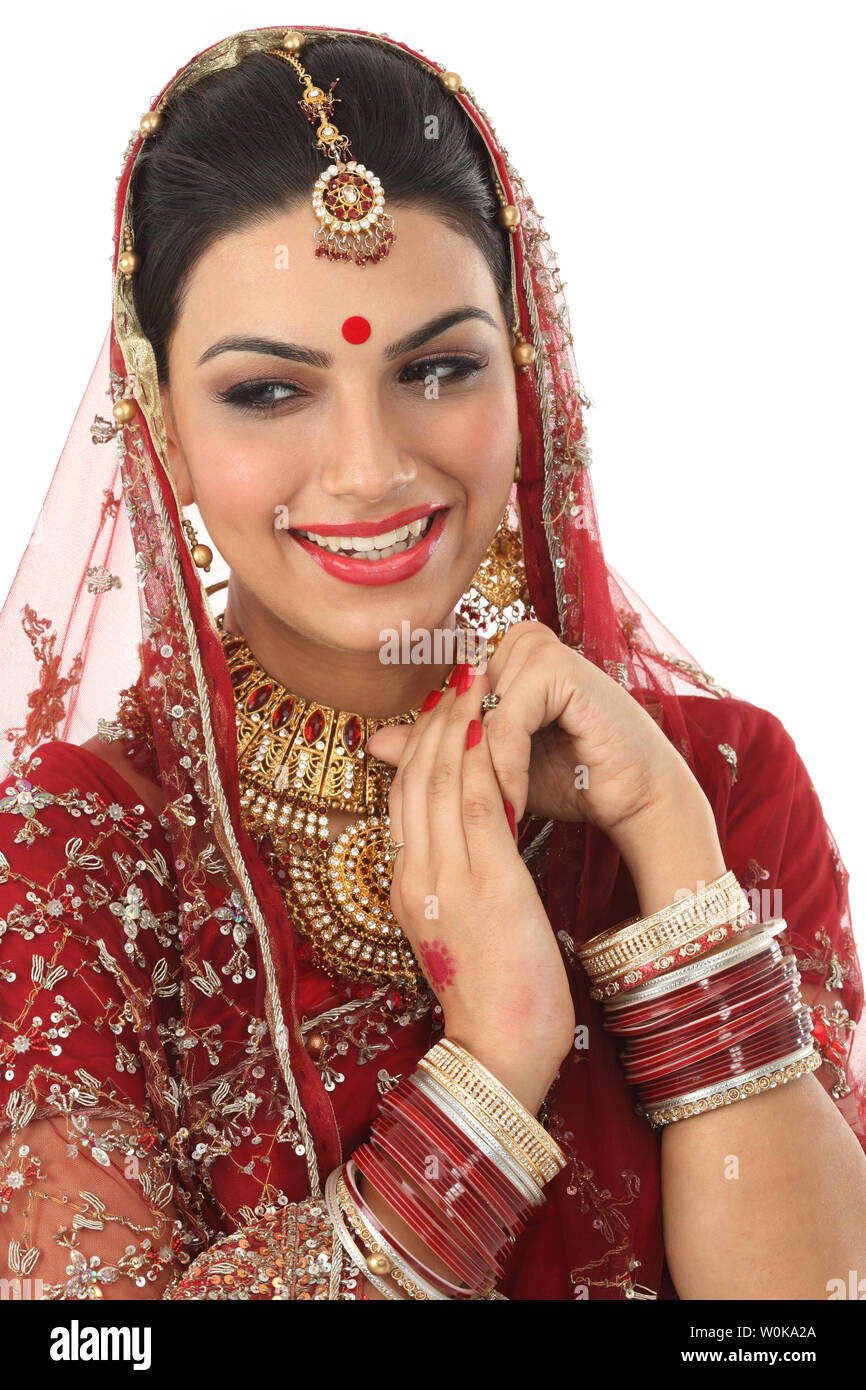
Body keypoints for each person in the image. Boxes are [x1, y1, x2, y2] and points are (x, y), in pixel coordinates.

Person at [0, 23, 864, 1303]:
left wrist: (676, 876)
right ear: (159, 429)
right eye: (267, 391)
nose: (369, 466)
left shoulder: (716, 780)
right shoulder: (77, 854)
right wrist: (490, 1066)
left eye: (437, 367)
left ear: (527, 384)